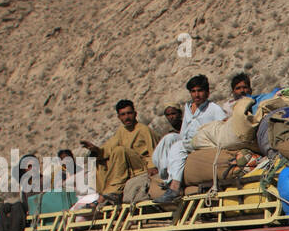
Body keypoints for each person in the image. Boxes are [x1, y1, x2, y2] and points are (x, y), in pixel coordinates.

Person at [154, 75, 227, 204]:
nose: (196, 94)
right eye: (193, 91)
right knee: (169, 139)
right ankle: (167, 178)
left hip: (203, 141)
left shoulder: (214, 109)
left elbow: (223, 125)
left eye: (200, 91)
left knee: (178, 147)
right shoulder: (188, 107)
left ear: (207, 92)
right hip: (188, 140)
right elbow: (184, 130)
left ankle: (175, 187)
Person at [80, 99, 156, 202]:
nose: (127, 117)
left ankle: (115, 190)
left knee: (119, 151)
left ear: (135, 114)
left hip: (141, 164)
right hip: (127, 163)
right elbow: (107, 149)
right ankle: (103, 193)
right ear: (119, 117)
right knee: (99, 161)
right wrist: (96, 149)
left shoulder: (144, 129)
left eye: (129, 113)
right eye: (123, 114)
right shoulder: (121, 131)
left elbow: (154, 149)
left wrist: (152, 166)